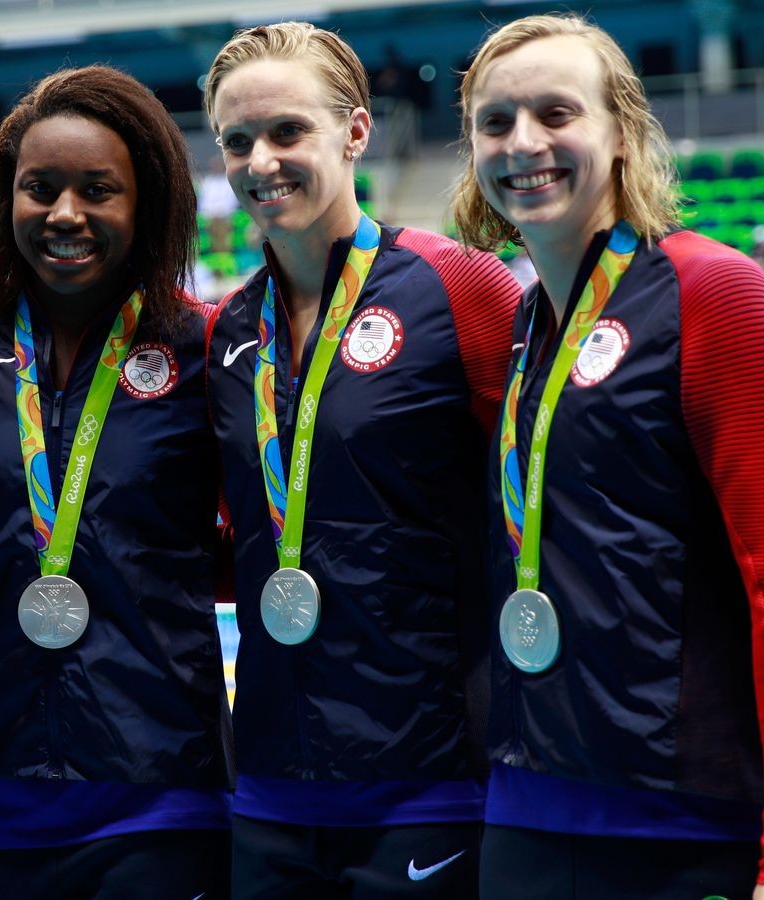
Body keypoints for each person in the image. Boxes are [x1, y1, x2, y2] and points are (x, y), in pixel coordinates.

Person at [453, 13, 764, 899]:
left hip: (685, 825)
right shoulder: (524, 330)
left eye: (557, 114)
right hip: (526, 815)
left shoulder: (718, 296)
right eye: (496, 122)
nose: (524, 144)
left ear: (622, 133)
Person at [201, 23, 521, 898]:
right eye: (238, 142)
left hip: (431, 779)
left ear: (354, 130)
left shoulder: (462, 289)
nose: (261, 161)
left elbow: (551, 478)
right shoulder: (228, 334)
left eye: (287, 132)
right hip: (270, 782)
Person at [0, 65, 232, 900]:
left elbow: (265, 535)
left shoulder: (202, 345)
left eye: (99, 190)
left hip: (159, 783)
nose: (66, 214)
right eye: (40, 188)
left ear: (147, 204)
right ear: (2, 200)